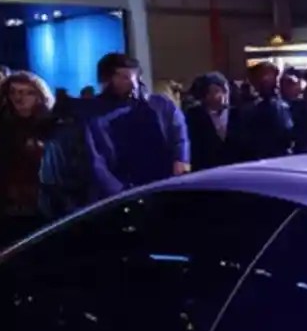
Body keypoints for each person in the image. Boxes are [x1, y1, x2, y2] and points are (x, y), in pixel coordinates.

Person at [80, 53, 189, 203]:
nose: (132, 82)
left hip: (166, 186)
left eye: (134, 76)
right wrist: (119, 193)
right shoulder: (94, 115)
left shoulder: (160, 105)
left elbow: (180, 137)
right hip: (122, 193)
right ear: (108, 80)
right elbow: (95, 161)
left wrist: (181, 162)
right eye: (123, 77)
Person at [0, 71, 56, 245]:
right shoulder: (4, 127)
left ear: (40, 95)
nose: (19, 98)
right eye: (14, 92)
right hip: (9, 210)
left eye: (27, 92)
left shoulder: (54, 127)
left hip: (47, 209)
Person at [185, 72, 237, 171]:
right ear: (205, 96)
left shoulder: (239, 114)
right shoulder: (194, 118)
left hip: (236, 173)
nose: (222, 96)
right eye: (216, 91)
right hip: (207, 174)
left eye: (225, 91)